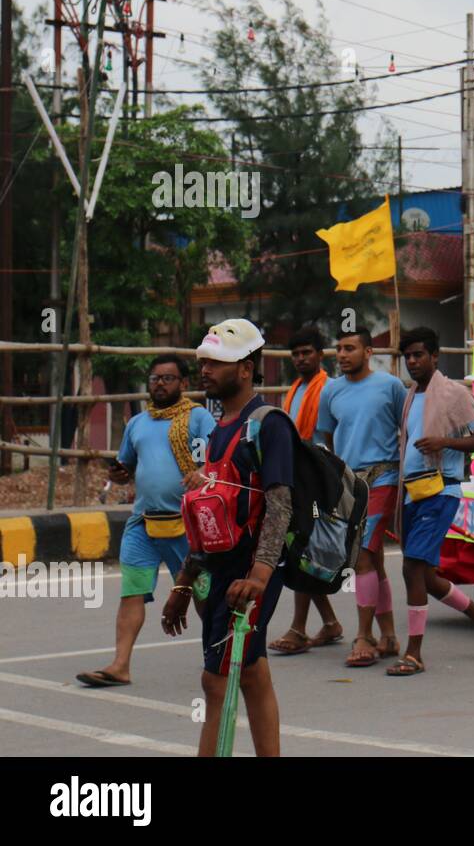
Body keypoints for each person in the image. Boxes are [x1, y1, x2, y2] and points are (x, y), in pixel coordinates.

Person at [161, 318, 296, 756]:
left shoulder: (268, 424)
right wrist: (184, 583)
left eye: (216, 362)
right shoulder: (219, 431)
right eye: (203, 362)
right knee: (252, 672)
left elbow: (280, 504)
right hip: (219, 571)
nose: (205, 370)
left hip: (251, 573)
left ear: (245, 368)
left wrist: (258, 577)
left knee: (215, 681)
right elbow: (208, 517)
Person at [76, 357, 216, 688]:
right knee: (132, 592)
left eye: (168, 378)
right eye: (154, 378)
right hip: (143, 523)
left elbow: (216, 462)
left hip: (189, 523)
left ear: (183, 384)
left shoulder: (198, 418)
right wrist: (119, 474)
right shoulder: (137, 423)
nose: (160, 384)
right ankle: (120, 665)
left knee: (203, 593)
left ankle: (217, 657)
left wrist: (203, 474)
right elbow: (127, 470)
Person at [386, 328, 474, 675]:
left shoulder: (453, 393)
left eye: (419, 355)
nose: (413, 362)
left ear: (435, 357)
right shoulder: (409, 396)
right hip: (412, 492)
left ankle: (414, 653)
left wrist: (444, 442)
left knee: (411, 568)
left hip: (441, 491)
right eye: (407, 356)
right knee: (428, 577)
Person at [315, 327, 409, 667]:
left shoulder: (391, 386)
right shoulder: (331, 391)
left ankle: (363, 636)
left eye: (350, 348)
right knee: (374, 559)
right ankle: (389, 635)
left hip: (383, 476)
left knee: (363, 556)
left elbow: (407, 430)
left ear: (369, 352)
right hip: (348, 482)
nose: (342, 354)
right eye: (339, 348)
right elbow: (327, 434)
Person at [268, 326, 344, 656]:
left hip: (319, 478)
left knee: (302, 552)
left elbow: (329, 436)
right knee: (303, 551)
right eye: (296, 354)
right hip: (301, 476)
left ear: (320, 354)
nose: (300, 359)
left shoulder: (327, 389)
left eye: (306, 353)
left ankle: (299, 629)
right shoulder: (296, 389)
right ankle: (329, 623)